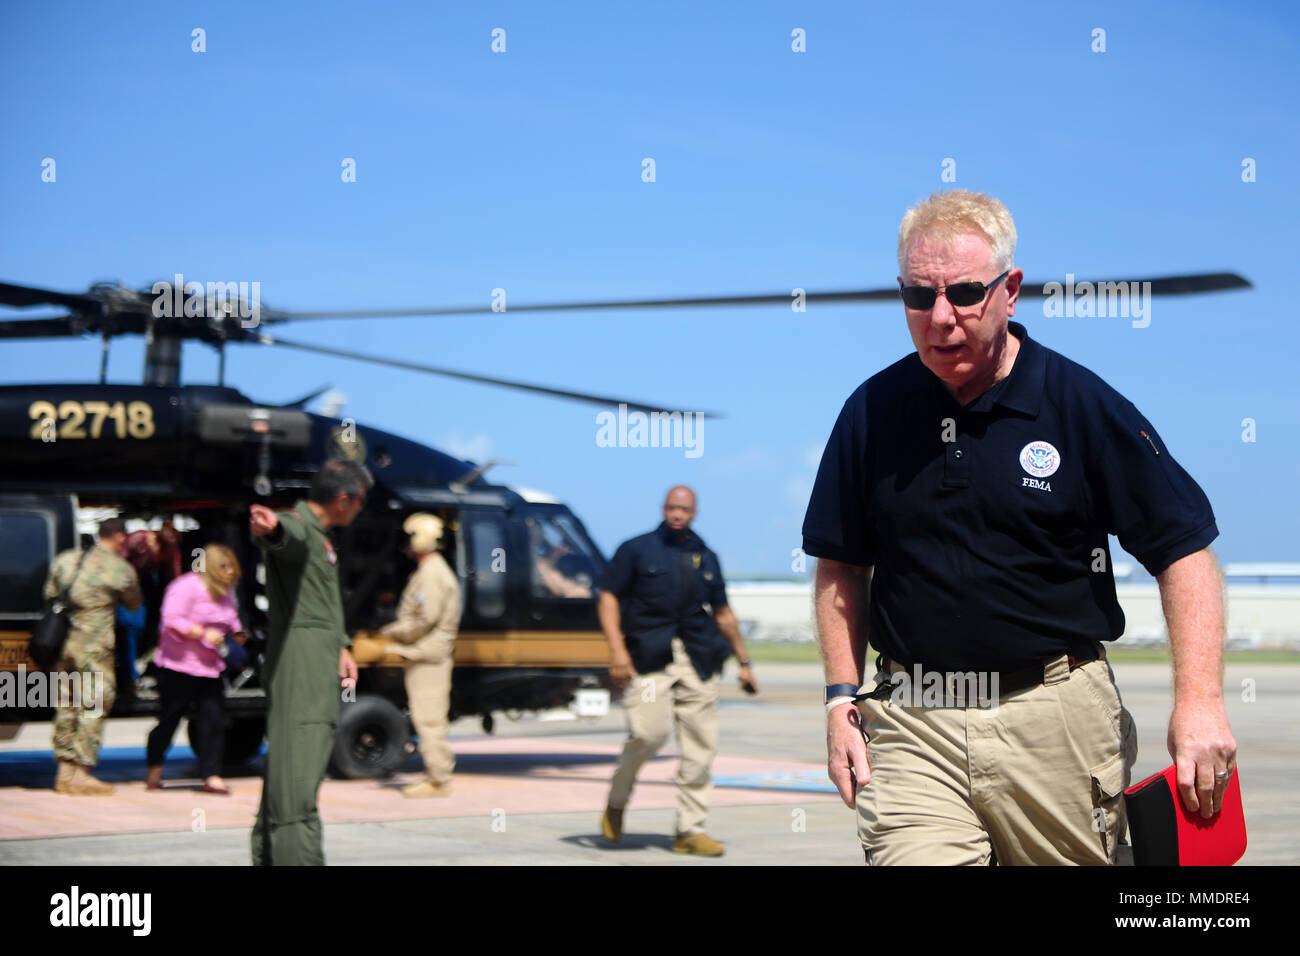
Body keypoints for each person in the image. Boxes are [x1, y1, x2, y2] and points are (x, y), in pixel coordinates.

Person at [803, 189, 1237, 865]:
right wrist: (838, 697)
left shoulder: (1081, 404)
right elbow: (839, 565)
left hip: (1052, 719)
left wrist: (1202, 704)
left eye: (964, 294)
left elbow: (1183, 550)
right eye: (919, 298)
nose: (940, 318)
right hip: (916, 721)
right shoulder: (870, 413)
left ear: (1011, 290)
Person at [596, 485, 757, 857]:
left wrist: (745, 663)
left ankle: (689, 830)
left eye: (683, 509)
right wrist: (617, 651)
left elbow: (723, 613)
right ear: (663, 508)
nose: (677, 514)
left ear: (694, 512)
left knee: (701, 746)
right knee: (647, 735)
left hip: (698, 658)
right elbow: (608, 597)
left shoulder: (706, 555)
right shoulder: (636, 549)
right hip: (648, 658)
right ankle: (617, 800)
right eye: (671, 507)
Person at [248, 459, 371, 866]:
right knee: (295, 793)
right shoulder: (301, 527)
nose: (359, 511)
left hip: (316, 663)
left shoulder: (323, 538)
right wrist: (274, 529)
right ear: (342, 499)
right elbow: (289, 537)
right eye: (359, 502)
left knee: (289, 783)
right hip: (302, 672)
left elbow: (319, 601)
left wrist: (341, 645)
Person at [354, 512, 461, 797]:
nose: (408, 545)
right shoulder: (431, 571)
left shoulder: (433, 574)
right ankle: (436, 776)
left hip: (428, 657)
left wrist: (389, 634)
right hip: (423, 655)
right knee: (428, 719)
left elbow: (423, 620)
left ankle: (438, 780)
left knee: (429, 720)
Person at [44, 517, 142, 795]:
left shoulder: (67, 560)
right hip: (95, 647)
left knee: (66, 704)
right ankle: (82, 771)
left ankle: (64, 772)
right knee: (94, 704)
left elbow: (50, 593)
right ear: (121, 538)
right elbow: (134, 605)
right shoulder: (119, 568)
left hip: (66, 645)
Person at [145, 543, 246, 794]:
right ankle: (155, 767)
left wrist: (238, 637)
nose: (230, 572)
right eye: (224, 566)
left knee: (213, 721)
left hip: (211, 667)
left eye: (232, 566)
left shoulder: (225, 593)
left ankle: (211, 774)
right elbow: (171, 620)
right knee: (169, 720)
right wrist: (202, 633)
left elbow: (232, 621)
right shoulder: (184, 587)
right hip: (179, 666)